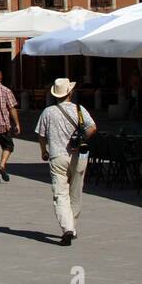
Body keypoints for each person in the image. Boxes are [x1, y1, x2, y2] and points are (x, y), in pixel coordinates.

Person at [36, 77, 98, 246]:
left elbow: (41, 135)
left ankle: (67, 229)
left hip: (57, 155)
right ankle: (73, 227)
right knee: (76, 192)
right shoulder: (79, 109)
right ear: (70, 92)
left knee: (60, 194)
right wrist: (80, 140)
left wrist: (43, 151)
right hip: (80, 156)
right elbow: (92, 128)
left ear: (56, 95)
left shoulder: (48, 112)